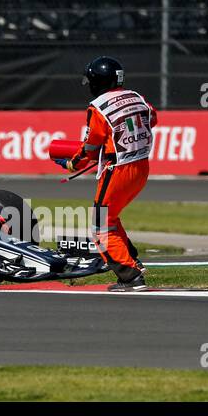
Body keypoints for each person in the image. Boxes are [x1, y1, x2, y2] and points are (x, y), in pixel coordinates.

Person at [65, 56, 157, 291]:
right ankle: (131, 260)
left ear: (98, 81)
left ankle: (130, 277)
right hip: (141, 166)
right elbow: (152, 118)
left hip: (118, 169)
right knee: (111, 217)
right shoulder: (137, 96)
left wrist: (72, 164)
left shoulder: (97, 107)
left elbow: (90, 147)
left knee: (100, 225)